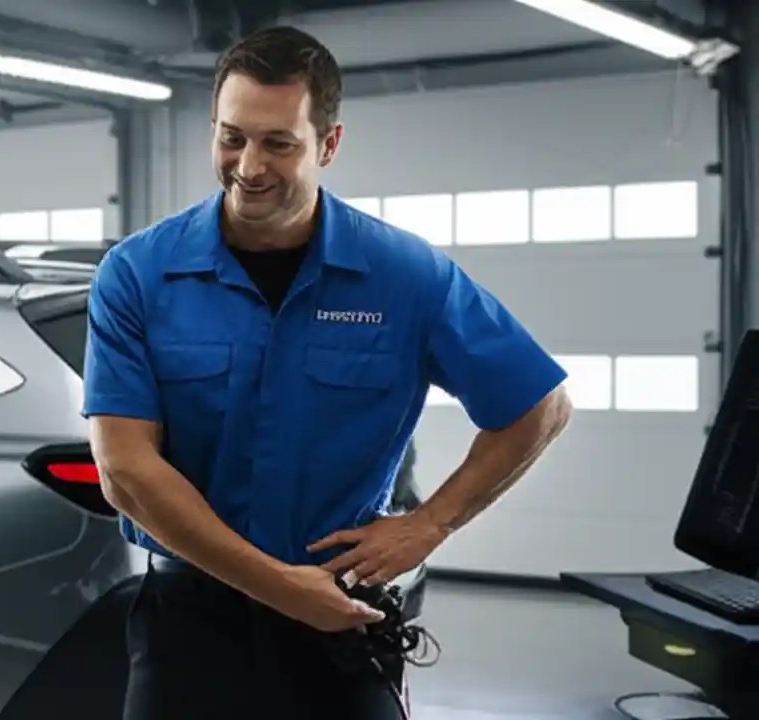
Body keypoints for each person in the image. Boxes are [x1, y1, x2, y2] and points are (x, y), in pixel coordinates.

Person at [83, 25, 574, 720]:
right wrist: (282, 589)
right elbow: (126, 472)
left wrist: (429, 525)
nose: (249, 165)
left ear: (329, 144)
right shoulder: (137, 275)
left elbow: (540, 405)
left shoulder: (405, 277)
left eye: (278, 143)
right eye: (231, 137)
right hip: (189, 624)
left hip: (340, 621)